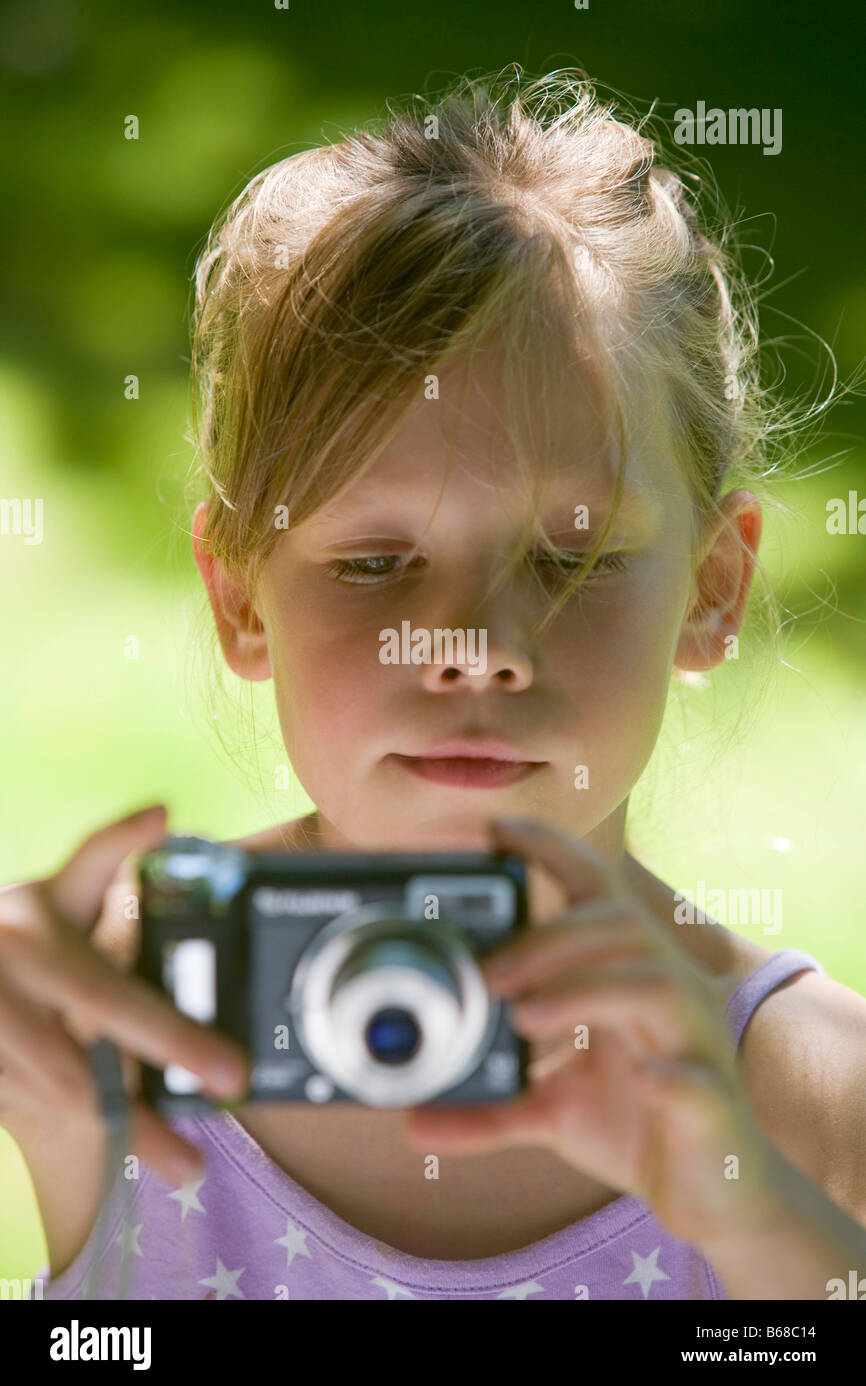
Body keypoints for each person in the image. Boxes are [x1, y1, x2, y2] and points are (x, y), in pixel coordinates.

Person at [5, 66, 866, 1300]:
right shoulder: (118, 1019)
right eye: (371, 561)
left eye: (570, 557)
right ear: (241, 599)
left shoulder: (799, 1088)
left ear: (713, 587)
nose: (471, 644)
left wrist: (757, 1226)